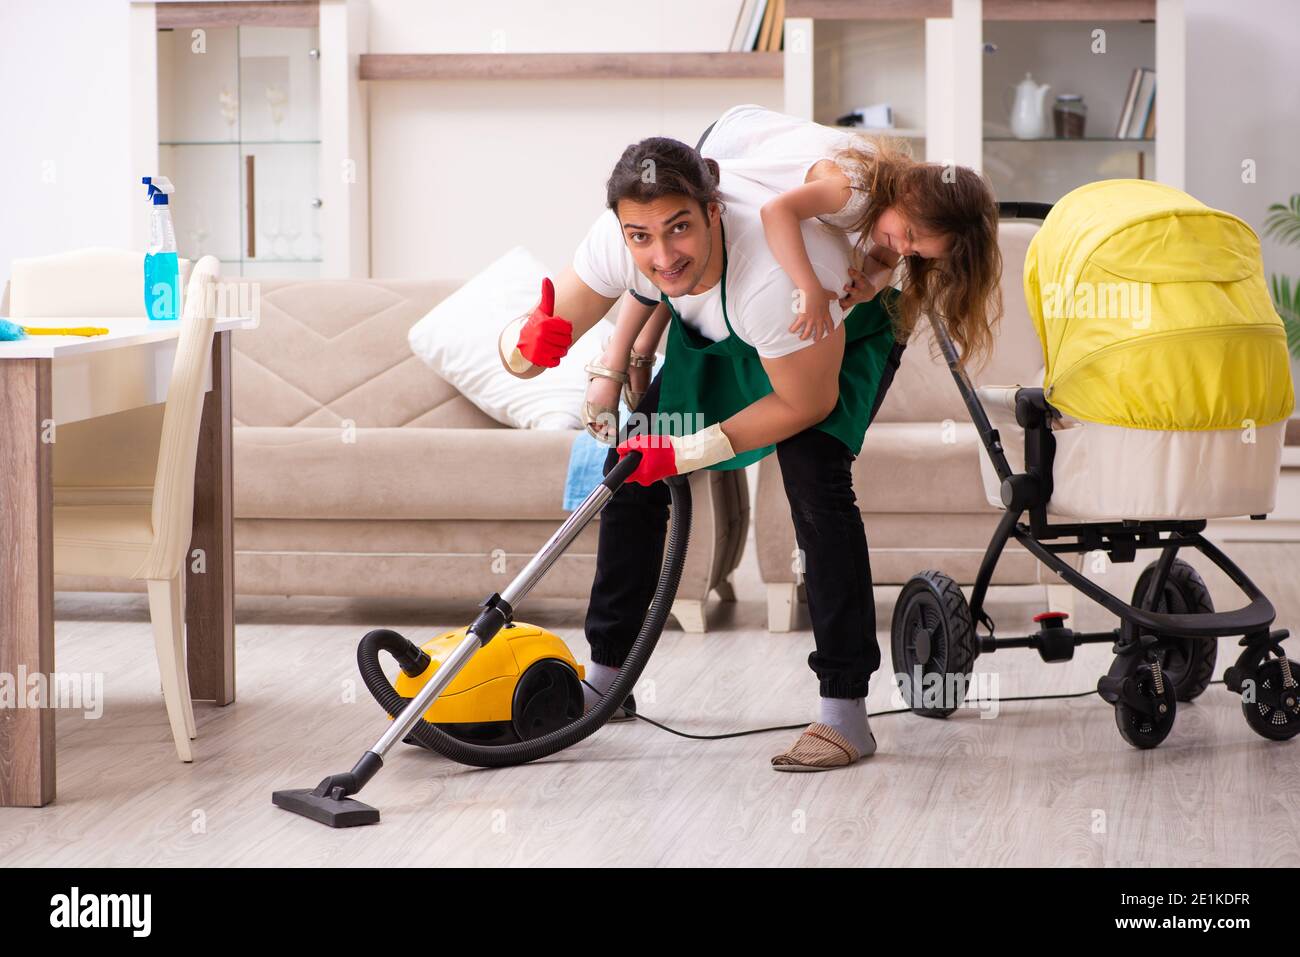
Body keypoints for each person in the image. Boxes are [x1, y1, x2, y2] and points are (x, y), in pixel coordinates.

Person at [498, 120, 1001, 771]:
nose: (661, 253)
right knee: (631, 465)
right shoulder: (624, 242)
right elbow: (530, 342)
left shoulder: (780, 272)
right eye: (642, 236)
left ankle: (845, 712)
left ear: (713, 213)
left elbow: (804, 403)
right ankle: (606, 678)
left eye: (679, 228)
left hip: (830, 314)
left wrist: (682, 453)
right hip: (734, 313)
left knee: (813, 473)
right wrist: (525, 346)